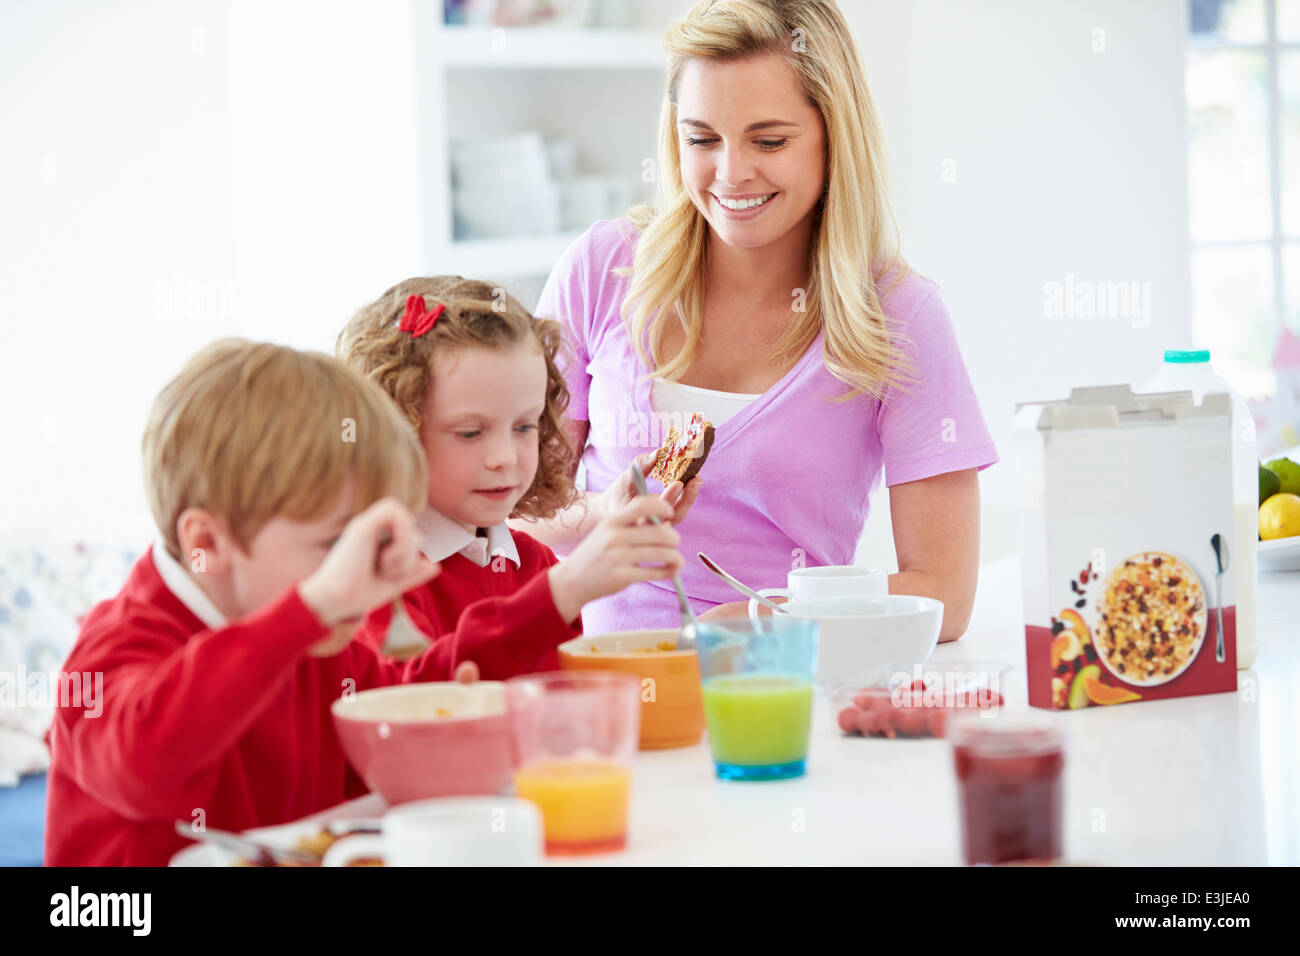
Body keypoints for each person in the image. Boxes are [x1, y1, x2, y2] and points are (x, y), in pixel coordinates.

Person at [520, 0, 998, 641]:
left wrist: (762, 620)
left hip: (782, 690)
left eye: (769, 140)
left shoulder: (899, 317)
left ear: (835, 134)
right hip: (606, 686)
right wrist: (603, 515)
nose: (731, 173)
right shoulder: (602, 269)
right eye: (702, 139)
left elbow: (944, 595)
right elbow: (516, 510)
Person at [45, 340, 479, 866]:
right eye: (339, 544)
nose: (361, 572)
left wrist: (447, 722)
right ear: (207, 545)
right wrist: (306, 610)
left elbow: (382, 730)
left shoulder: (322, 644)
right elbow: (148, 767)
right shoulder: (113, 650)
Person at [338, 277, 684, 663]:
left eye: (524, 427)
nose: (504, 457)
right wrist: (562, 592)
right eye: (470, 432)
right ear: (394, 434)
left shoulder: (536, 565)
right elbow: (412, 697)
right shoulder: (375, 577)